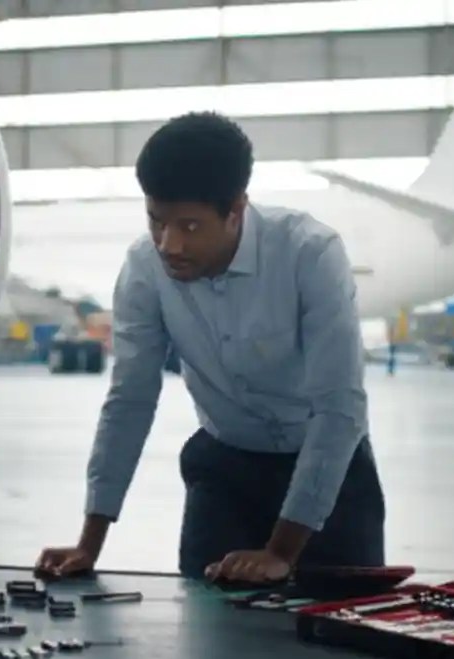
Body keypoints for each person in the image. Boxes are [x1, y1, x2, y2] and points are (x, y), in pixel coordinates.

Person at [35, 112, 385, 584]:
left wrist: (280, 552)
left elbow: (339, 407)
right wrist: (88, 542)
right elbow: (130, 400)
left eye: (190, 227)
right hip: (225, 471)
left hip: (329, 470)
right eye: (156, 222)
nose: (169, 244)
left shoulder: (310, 254)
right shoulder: (144, 267)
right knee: (207, 630)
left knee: (346, 637)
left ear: (236, 210)